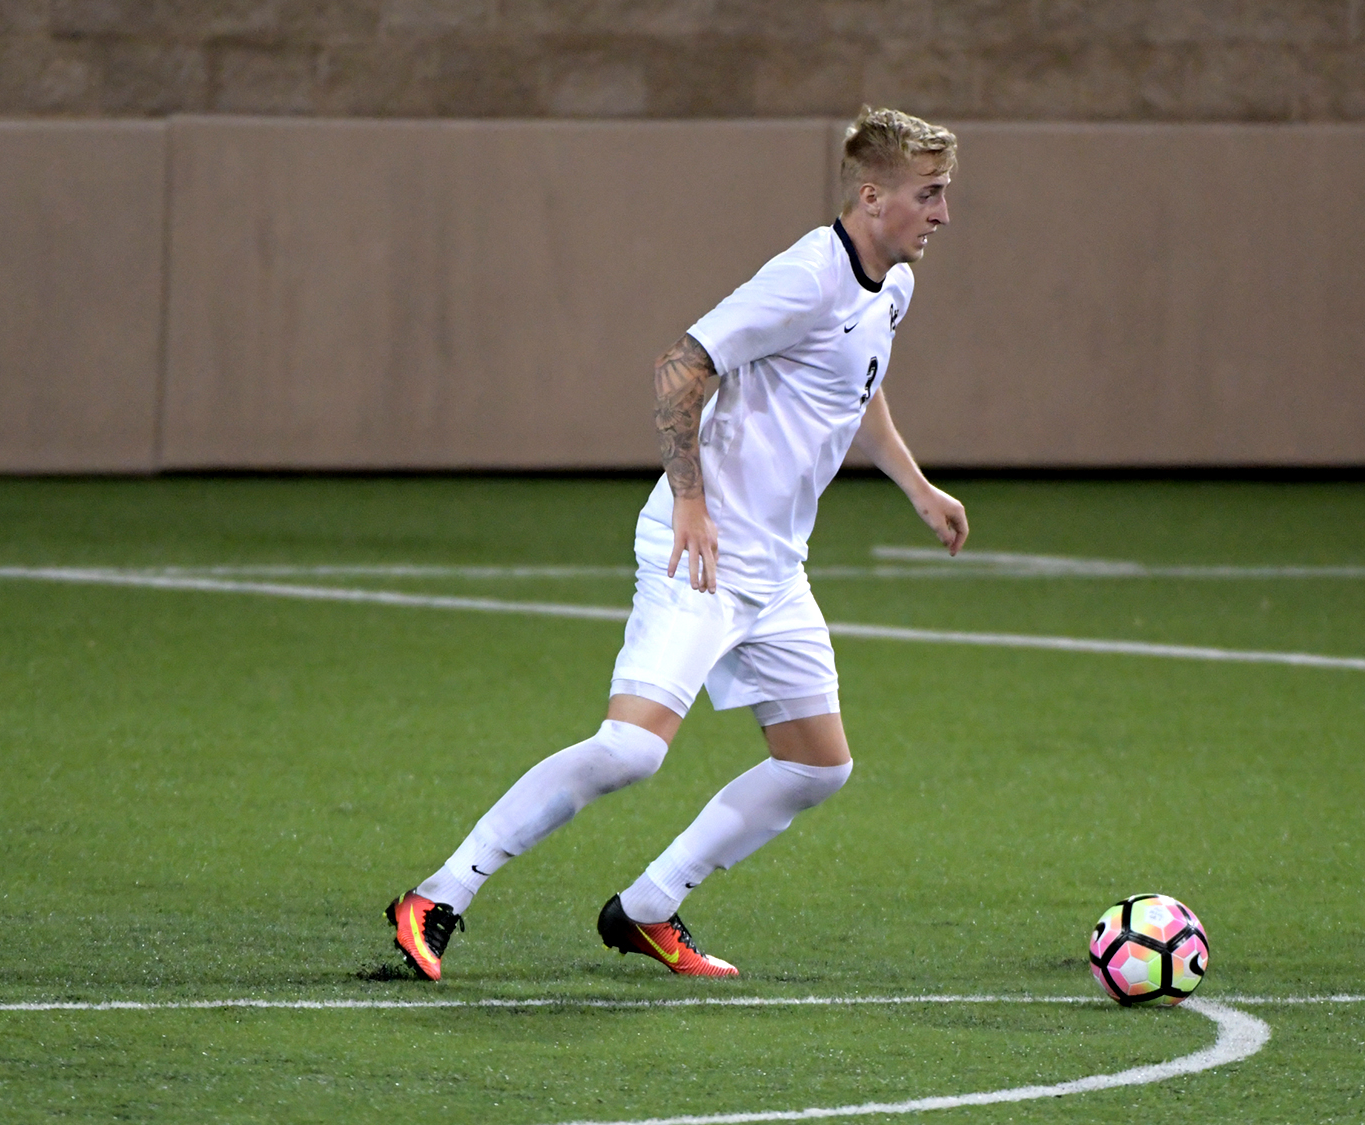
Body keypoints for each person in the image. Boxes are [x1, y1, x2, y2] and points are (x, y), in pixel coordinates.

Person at [386, 106, 968, 979]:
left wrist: (917, 488)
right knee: (631, 751)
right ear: (872, 194)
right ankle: (438, 894)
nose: (943, 214)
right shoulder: (807, 275)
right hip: (698, 551)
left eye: (946, 195)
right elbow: (679, 367)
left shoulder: (893, 286)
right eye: (929, 195)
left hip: (774, 567)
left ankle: (648, 908)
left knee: (817, 768)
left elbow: (858, 389)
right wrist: (690, 503)